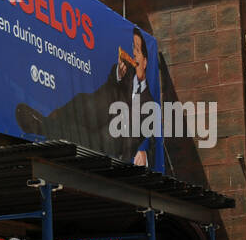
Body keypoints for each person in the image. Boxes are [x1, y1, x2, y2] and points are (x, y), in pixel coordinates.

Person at [14, 29, 161, 168]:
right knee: (84, 103)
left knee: (96, 137)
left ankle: (42, 126)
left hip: (116, 143)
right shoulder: (127, 74)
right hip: (100, 117)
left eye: (137, 49)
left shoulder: (150, 104)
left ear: (145, 61)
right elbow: (109, 87)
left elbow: (155, 144)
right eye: (133, 48)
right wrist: (118, 74)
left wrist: (145, 155)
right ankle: (49, 122)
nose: (133, 53)